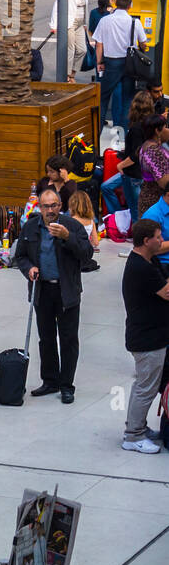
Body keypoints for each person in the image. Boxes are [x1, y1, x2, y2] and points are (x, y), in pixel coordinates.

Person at [15, 187, 94, 404]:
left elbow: (87, 256)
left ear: (60, 206)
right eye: (45, 206)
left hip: (67, 291)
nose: (50, 210)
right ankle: (50, 380)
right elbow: (20, 255)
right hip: (42, 290)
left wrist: (68, 238)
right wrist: (28, 269)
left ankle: (67, 385)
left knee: (68, 340)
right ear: (39, 207)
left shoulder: (72, 226)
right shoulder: (31, 227)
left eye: (54, 206)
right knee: (46, 338)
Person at [120, 218, 169, 454]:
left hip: (153, 335)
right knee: (146, 388)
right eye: (158, 237)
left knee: (144, 385)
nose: (161, 241)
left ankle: (137, 427)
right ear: (146, 240)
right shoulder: (141, 268)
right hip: (147, 339)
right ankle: (133, 437)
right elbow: (167, 292)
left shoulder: (150, 260)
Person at [94, 0, 148, 131]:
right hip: (129, 64)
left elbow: (99, 44)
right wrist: (142, 48)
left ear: (116, 3)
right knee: (127, 99)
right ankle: (123, 132)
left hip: (111, 63)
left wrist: (99, 62)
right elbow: (143, 42)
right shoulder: (134, 22)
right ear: (130, 5)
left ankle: (98, 131)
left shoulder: (105, 20)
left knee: (104, 98)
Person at [103, 91, 152, 215]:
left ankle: (123, 221)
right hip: (141, 171)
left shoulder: (136, 128)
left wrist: (121, 165)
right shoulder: (150, 125)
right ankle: (119, 217)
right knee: (106, 187)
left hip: (132, 173)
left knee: (136, 211)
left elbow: (136, 154)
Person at [49, 0, 90, 83]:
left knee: (82, 50)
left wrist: (85, 22)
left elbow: (85, 5)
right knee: (70, 50)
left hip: (80, 23)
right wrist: (54, 25)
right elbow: (57, 5)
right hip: (70, 22)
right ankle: (67, 76)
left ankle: (72, 74)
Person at [139, 115, 169, 218]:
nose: (168, 130)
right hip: (155, 203)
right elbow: (164, 182)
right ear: (157, 131)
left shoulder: (150, 145)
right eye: (166, 127)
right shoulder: (154, 151)